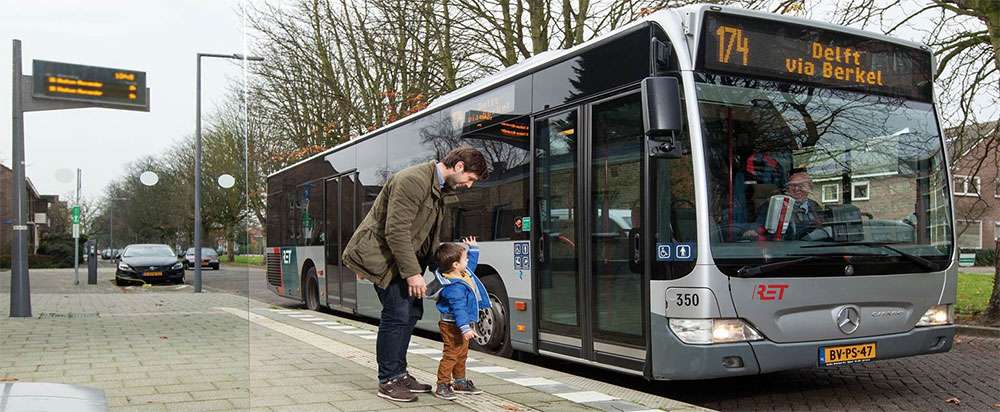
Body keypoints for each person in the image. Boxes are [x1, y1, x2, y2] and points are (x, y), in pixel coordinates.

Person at [342, 147, 488, 402]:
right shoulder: (413, 180)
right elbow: (396, 231)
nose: (469, 185)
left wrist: (439, 266)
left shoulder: (439, 189)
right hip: (384, 259)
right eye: (471, 178)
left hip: (401, 260)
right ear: (460, 167)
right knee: (397, 315)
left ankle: (399, 374)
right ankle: (388, 380)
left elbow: (426, 236)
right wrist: (412, 274)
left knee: (411, 313)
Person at [430, 237, 490, 400]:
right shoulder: (454, 287)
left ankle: (460, 382)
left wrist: (474, 249)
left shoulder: (461, 274)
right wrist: (465, 328)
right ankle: (442, 384)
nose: (468, 261)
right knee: (451, 354)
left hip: (460, 325)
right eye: (465, 258)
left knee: (461, 354)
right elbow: (459, 310)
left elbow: (471, 266)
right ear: (455, 265)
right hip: (453, 325)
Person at [743, 170, 823, 240]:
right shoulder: (771, 205)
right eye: (792, 185)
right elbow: (758, 226)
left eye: (801, 186)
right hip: (782, 249)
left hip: (810, 249)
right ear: (787, 188)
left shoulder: (815, 206)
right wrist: (753, 231)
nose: (796, 189)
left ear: (810, 188)